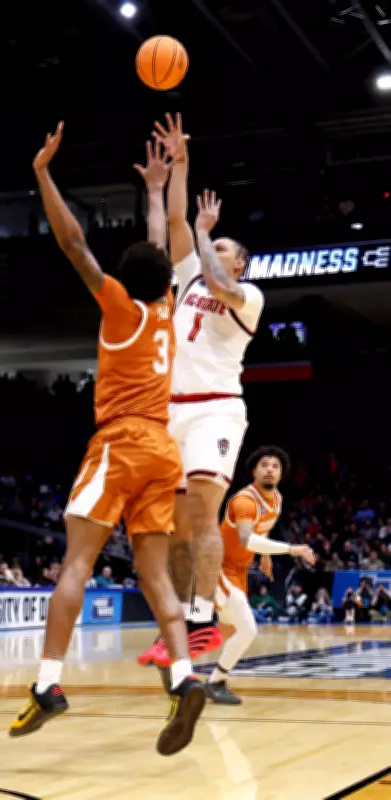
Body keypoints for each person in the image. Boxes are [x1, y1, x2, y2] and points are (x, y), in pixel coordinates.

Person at [9, 123, 207, 756]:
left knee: (77, 563)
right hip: (163, 450)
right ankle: (182, 676)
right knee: (156, 578)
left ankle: (48, 684)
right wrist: (160, 182)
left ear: (123, 280)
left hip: (120, 443)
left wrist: (43, 173)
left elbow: (73, 244)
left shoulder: (121, 306)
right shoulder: (167, 308)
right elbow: (160, 240)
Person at [139, 113, 265, 667]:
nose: (218, 252)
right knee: (176, 535)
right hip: (172, 411)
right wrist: (175, 171)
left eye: (229, 249)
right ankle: (180, 626)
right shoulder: (189, 277)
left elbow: (215, 275)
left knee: (206, 516)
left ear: (240, 263)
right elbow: (173, 222)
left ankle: (202, 622)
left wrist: (210, 231)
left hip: (216, 411)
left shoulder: (248, 296)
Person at [205, 446, 315, 704]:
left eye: (275, 466)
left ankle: (174, 658)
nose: (270, 469)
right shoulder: (244, 500)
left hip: (239, 570)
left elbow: (260, 531)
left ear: (281, 475)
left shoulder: (276, 499)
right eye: (264, 465)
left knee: (231, 630)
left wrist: (264, 554)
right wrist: (291, 549)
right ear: (254, 471)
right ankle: (215, 681)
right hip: (218, 565)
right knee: (248, 629)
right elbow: (245, 538)